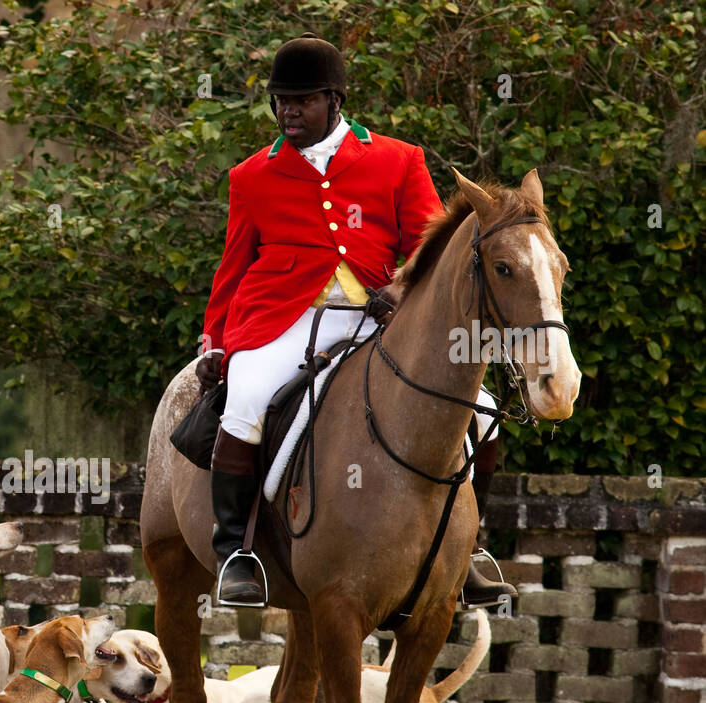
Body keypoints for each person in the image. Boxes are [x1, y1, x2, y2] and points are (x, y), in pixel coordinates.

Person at [198, 33, 514, 610]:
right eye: (281, 101)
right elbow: (233, 263)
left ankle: (469, 549)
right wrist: (216, 338)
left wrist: (396, 289)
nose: (288, 112)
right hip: (283, 318)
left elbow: (429, 246)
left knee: (487, 415)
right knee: (243, 403)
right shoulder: (251, 176)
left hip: (380, 317)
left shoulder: (398, 159)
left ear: (334, 99)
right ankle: (236, 554)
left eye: (303, 100)